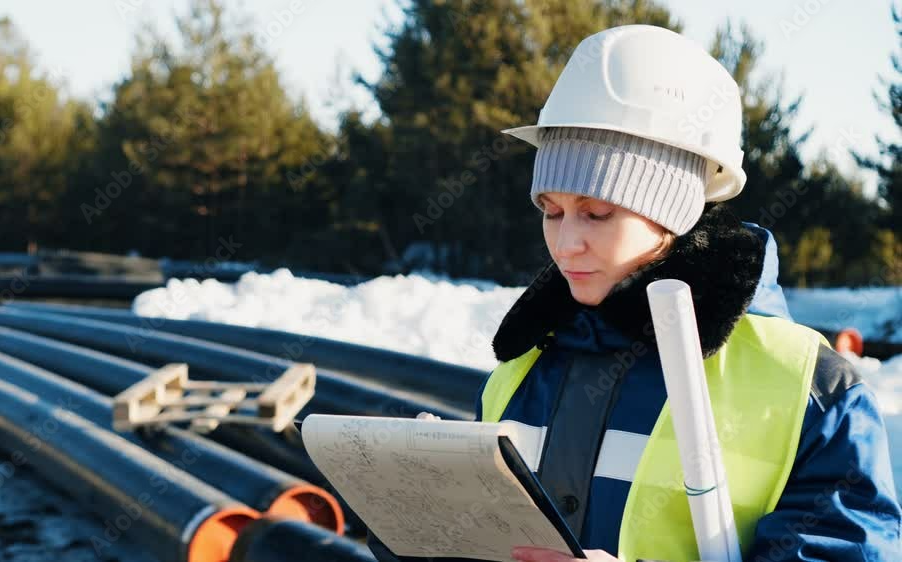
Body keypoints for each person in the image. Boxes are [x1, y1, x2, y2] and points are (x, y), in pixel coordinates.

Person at [367, 24, 901, 562]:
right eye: (550, 212)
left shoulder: (814, 394)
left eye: (597, 213)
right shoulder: (523, 367)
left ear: (676, 211)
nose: (566, 244)